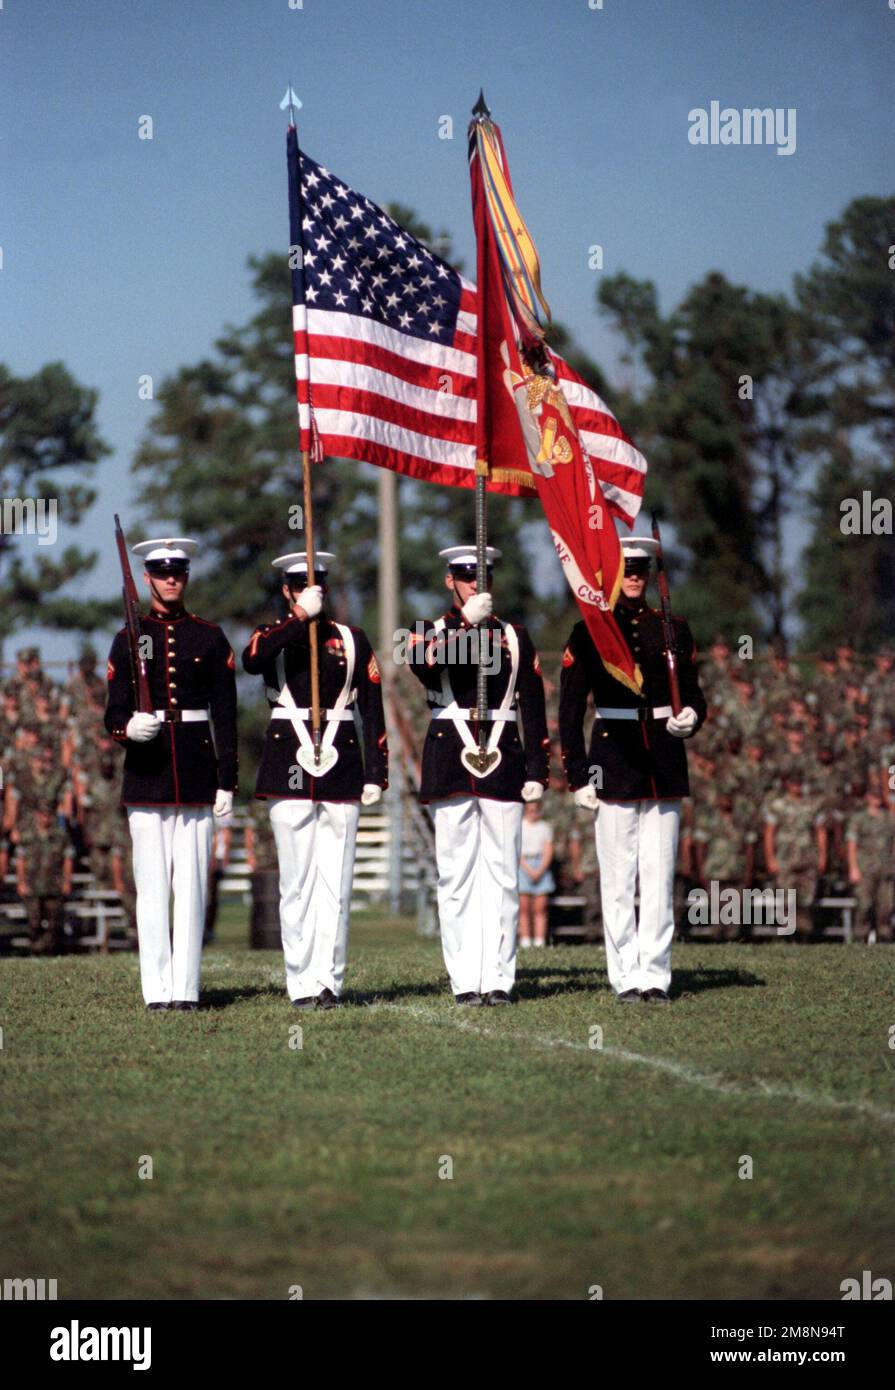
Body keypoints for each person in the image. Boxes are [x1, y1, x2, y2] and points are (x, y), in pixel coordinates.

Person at [559, 536, 707, 1002]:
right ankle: (625, 974)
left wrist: (692, 718)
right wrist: (578, 774)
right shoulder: (590, 631)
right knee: (619, 876)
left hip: (662, 755)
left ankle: (656, 974)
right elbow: (569, 710)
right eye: (627, 570)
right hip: (613, 757)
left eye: (642, 570)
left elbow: (694, 693)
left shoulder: (673, 630)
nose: (636, 577)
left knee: (660, 873)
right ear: (612, 575)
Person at [242, 551, 388, 1010]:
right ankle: (301, 981)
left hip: (342, 764)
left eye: (318, 585)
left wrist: (376, 771)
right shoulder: (273, 636)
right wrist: (299, 616)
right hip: (288, 763)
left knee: (336, 884)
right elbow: (253, 659)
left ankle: (329, 981)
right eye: (302, 586)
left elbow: (372, 707)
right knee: (297, 882)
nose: (313, 592)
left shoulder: (352, 639)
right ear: (287, 591)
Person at [408, 545, 549, 1006]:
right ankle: (466, 978)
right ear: (450, 581)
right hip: (451, 755)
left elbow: (532, 702)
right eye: (467, 577)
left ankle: (499, 978)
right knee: (456, 875)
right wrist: (466, 623)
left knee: (502, 875)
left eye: (482, 577)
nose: (476, 584)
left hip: (503, 755)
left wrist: (538, 768)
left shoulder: (515, 636)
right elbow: (426, 667)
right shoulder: (424, 631)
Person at [105, 536, 238, 1011]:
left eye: (178, 572)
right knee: (153, 887)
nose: (171, 579)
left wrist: (228, 778)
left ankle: (187, 990)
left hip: (198, 770)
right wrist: (127, 728)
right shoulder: (129, 637)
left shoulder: (209, 636)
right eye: (162, 572)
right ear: (146, 579)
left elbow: (226, 713)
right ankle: (157, 991)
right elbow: (113, 710)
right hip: (148, 771)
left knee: (192, 887)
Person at [16, 803, 74, 954]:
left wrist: (67, 881)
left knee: (54, 922)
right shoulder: (27, 835)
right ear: (36, 815)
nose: (45, 818)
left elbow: (68, 859)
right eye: (42, 815)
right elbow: (20, 860)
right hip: (32, 885)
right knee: (34, 922)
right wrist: (21, 882)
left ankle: (50, 952)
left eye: (48, 815)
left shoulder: (60, 836)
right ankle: (35, 950)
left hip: (53, 885)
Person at [518, 800, 555, 948]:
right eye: (530, 810)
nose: (533, 813)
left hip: (540, 864)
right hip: (523, 865)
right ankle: (525, 940)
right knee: (524, 907)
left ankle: (540, 941)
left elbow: (548, 849)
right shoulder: (520, 826)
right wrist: (528, 869)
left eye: (536, 810)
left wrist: (540, 869)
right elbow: (517, 850)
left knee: (540, 908)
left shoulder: (545, 827)